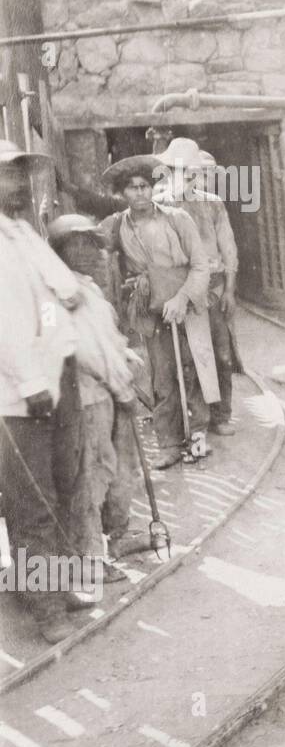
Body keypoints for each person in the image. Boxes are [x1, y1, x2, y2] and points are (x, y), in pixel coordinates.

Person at [0, 141, 85, 643]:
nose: (16, 186)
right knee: (30, 504)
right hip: (16, 396)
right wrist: (29, 383)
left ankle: (56, 585)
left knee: (61, 490)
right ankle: (45, 609)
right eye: (6, 177)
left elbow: (65, 290)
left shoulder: (21, 233)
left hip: (52, 380)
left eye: (18, 176)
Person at [99, 154, 216, 469]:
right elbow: (93, 248)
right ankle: (169, 444)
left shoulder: (178, 219)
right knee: (163, 378)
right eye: (132, 188)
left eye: (144, 187)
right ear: (123, 193)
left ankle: (199, 439)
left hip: (187, 306)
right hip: (151, 311)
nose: (139, 193)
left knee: (194, 372)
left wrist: (182, 298)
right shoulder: (116, 226)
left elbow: (200, 265)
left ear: (152, 189)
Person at [46, 216, 142, 586]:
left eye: (92, 244)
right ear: (59, 252)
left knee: (111, 467)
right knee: (90, 474)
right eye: (76, 245)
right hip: (85, 396)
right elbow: (87, 352)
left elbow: (108, 341)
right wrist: (122, 388)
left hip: (105, 392)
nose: (88, 252)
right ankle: (89, 559)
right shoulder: (64, 294)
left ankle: (111, 539)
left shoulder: (90, 291)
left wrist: (126, 357)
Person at [151, 138, 241, 436]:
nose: (189, 178)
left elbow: (228, 249)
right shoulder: (160, 205)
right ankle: (190, 419)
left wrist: (229, 289)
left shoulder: (213, 204)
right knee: (185, 358)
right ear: (170, 171)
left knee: (221, 354)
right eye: (182, 172)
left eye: (194, 173)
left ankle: (221, 414)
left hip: (212, 289)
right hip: (177, 290)